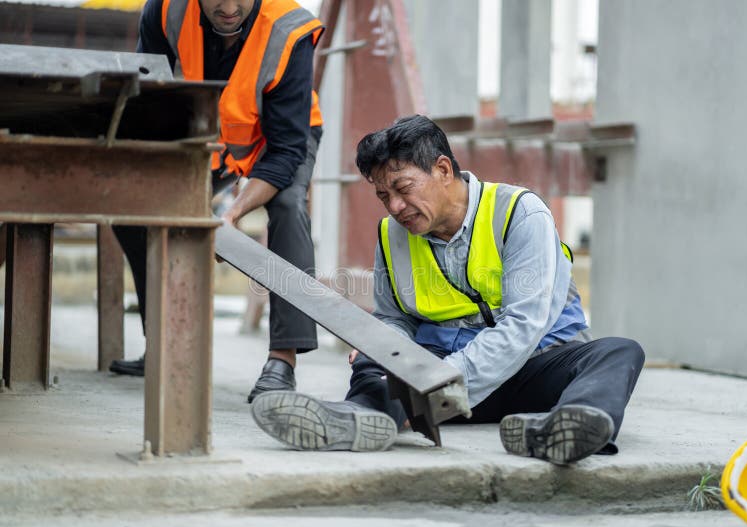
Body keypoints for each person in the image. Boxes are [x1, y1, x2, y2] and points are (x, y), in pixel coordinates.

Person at [251, 115, 645, 464]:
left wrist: (442, 382)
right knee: (375, 351)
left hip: (529, 369)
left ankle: (568, 426)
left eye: (403, 188)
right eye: (384, 196)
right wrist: (383, 342)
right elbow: (395, 317)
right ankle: (361, 418)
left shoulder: (519, 213)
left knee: (616, 353)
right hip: (438, 387)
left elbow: (524, 325)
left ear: (442, 169)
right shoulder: (392, 235)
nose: (395, 207)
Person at [110, 0, 323, 404]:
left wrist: (232, 212)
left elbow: (286, 152)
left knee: (289, 205)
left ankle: (283, 361)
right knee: (132, 211)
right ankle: (165, 343)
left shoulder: (290, 29)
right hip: (212, 133)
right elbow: (146, 96)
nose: (228, 8)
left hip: (283, 136)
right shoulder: (165, 10)